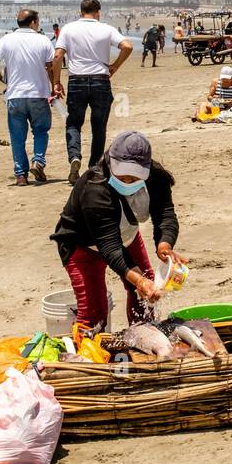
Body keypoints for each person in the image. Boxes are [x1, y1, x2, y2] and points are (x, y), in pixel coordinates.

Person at [50, 131, 184, 331]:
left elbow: (165, 213)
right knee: (94, 312)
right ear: (110, 161)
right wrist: (138, 279)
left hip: (127, 236)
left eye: (134, 177)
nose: (127, 181)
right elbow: (110, 247)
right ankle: (88, 355)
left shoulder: (156, 177)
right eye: (122, 174)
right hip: (83, 245)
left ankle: (143, 336)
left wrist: (164, 243)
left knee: (146, 297)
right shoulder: (94, 188)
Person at [54, 0, 133, 185]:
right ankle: (93, 168)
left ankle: (75, 157)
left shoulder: (68, 29)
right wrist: (115, 66)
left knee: (73, 123)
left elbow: (57, 56)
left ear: (81, 12)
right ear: (98, 12)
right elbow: (127, 46)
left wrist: (56, 82)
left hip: (76, 80)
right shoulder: (105, 28)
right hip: (100, 80)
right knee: (99, 126)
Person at [0, 8, 59, 185]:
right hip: (38, 94)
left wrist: (1, 78)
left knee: (17, 137)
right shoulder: (43, 40)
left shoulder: (7, 39)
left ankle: (21, 175)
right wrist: (54, 86)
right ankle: (38, 162)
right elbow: (51, 66)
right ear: (34, 22)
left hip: (15, 96)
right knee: (41, 131)